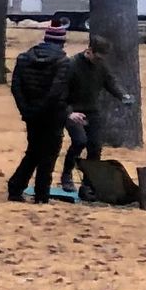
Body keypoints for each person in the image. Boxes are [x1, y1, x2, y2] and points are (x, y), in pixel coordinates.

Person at [58, 32, 133, 197]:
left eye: (102, 59)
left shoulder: (101, 66)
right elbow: (60, 93)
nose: (100, 61)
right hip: (73, 111)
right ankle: (66, 175)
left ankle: (89, 182)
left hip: (92, 111)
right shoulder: (71, 65)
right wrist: (69, 113)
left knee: (95, 146)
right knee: (79, 141)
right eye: (97, 57)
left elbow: (111, 82)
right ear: (89, 50)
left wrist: (123, 96)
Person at [7, 19, 73, 204]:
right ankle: (41, 194)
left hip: (31, 113)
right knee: (49, 154)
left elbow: (16, 87)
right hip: (53, 114)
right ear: (61, 42)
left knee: (33, 151)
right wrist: (43, 109)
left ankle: (16, 187)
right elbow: (56, 91)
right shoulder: (62, 61)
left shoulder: (23, 58)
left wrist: (27, 109)